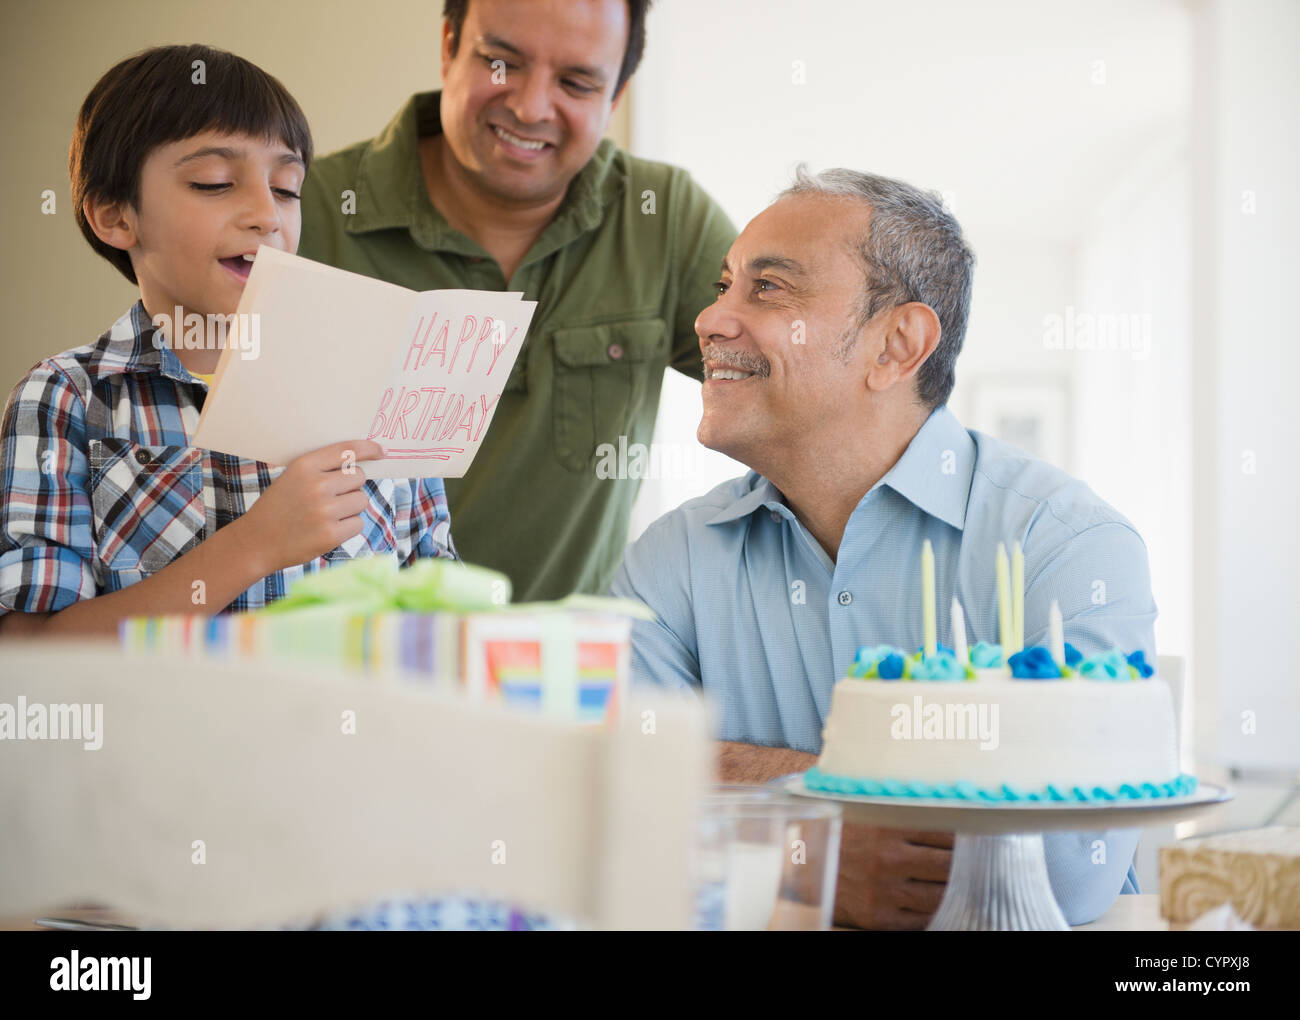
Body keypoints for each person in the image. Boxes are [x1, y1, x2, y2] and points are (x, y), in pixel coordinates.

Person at [611, 167, 1157, 929]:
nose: (709, 319)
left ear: (897, 345)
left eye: (766, 289)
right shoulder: (669, 561)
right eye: (725, 285)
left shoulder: (1066, 545)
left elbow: (1065, 866)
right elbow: (608, 790)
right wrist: (819, 845)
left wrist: (727, 786)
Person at [0, 44, 454, 639]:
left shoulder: (380, 385)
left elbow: (442, 619)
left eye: (287, 189)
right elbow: (30, 654)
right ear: (115, 216)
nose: (267, 214)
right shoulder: (69, 397)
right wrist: (254, 545)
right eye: (214, 182)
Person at [298, 0, 736, 601]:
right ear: (449, 43)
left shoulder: (664, 219)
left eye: (577, 82)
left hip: (558, 675)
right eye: (502, 63)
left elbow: (801, 391)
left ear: (617, 95)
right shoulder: (305, 213)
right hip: (339, 671)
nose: (530, 107)